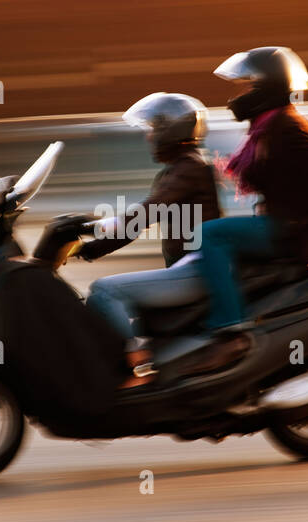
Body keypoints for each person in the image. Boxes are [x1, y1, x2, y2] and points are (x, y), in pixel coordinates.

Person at [191, 46, 308, 371]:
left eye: (250, 86)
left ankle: (230, 329)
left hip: (290, 230)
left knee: (208, 236)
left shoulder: (286, 128)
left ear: (268, 87)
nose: (244, 94)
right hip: (285, 223)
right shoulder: (269, 127)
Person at [79, 92, 222, 387]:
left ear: (171, 130)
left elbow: (145, 214)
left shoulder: (189, 169)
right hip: (191, 268)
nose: (149, 138)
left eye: (153, 130)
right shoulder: (185, 166)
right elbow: (142, 219)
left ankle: (138, 367)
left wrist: (90, 241)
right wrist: (91, 240)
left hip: (197, 269)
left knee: (106, 292)